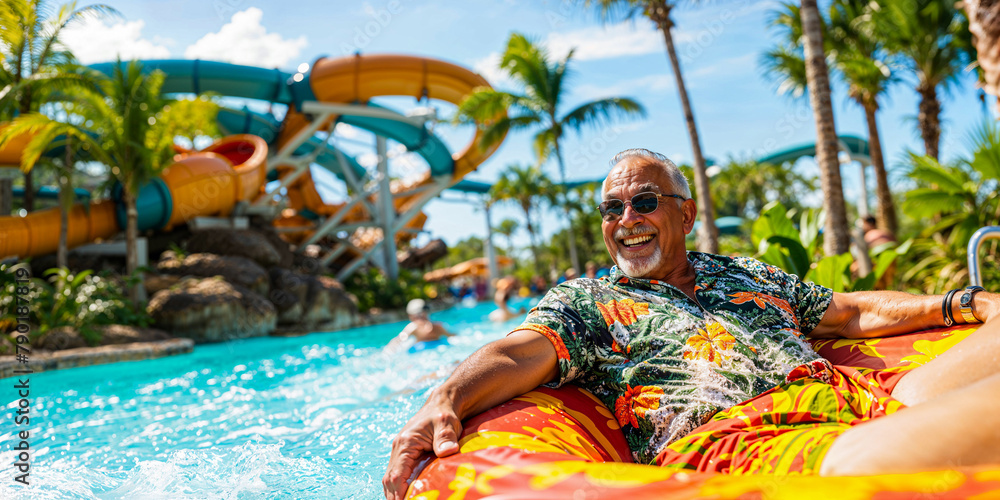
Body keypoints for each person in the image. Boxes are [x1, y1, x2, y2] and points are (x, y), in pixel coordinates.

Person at [384, 149, 1000, 499]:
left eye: (644, 202)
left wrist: (967, 303)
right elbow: (523, 351)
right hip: (746, 444)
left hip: (857, 399)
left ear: (685, 212)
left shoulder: (744, 273)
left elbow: (850, 311)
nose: (627, 218)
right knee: (870, 469)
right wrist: (446, 396)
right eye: (612, 208)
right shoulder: (589, 300)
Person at [387, 299, 454, 352]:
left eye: (422, 315)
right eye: (418, 316)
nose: (420, 318)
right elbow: (398, 340)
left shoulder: (437, 327)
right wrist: (390, 349)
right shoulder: (412, 328)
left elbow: (452, 336)